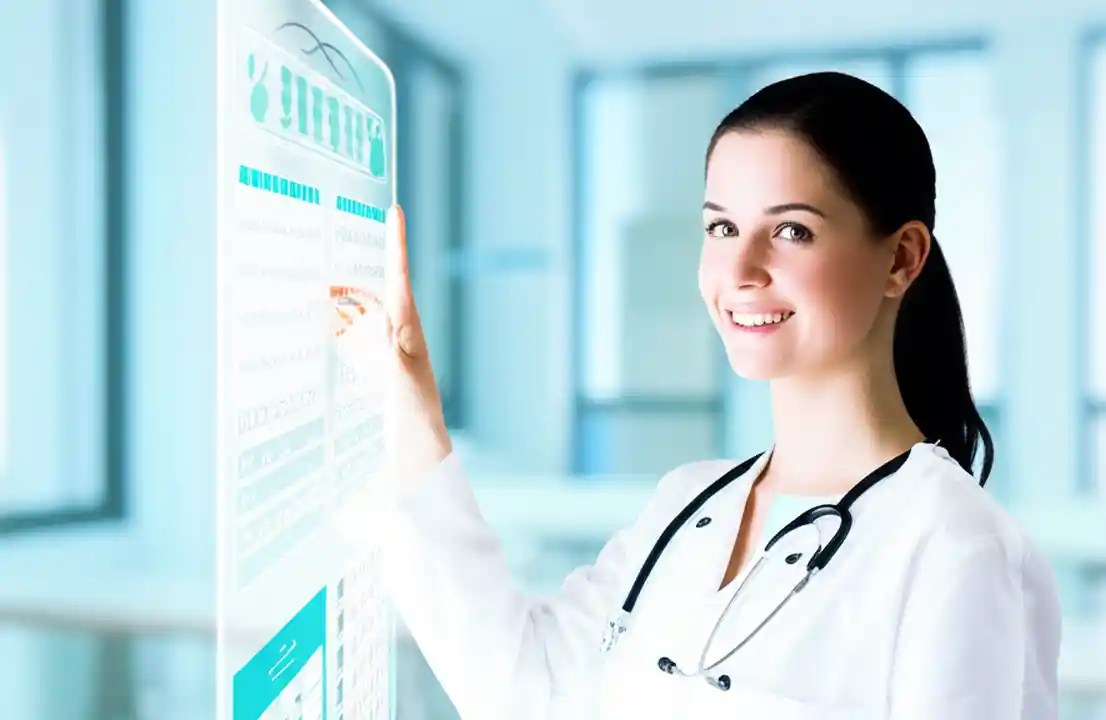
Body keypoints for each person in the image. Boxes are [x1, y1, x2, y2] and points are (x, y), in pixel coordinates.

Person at [334, 71, 1061, 720]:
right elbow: (524, 690)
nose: (740, 269)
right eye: (721, 226)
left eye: (792, 230)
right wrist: (413, 416)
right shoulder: (687, 505)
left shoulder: (953, 546)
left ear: (900, 258)